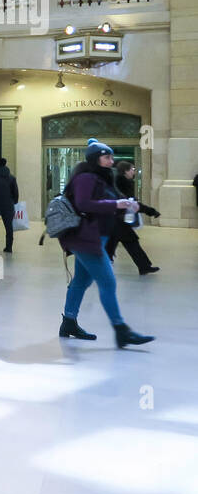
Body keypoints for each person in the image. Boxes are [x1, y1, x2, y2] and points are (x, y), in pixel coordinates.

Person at [57, 140, 154, 347]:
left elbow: (107, 204)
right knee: (108, 282)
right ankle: (121, 331)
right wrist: (116, 204)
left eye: (111, 157)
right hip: (84, 239)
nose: (111, 161)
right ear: (96, 159)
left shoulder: (102, 178)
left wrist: (128, 205)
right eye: (107, 157)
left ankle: (69, 323)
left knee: (81, 282)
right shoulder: (85, 177)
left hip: (94, 237)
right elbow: (83, 204)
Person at [106, 159, 160, 275]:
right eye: (133, 169)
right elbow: (129, 203)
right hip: (119, 219)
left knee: (114, 242)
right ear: (126, 171)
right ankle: (144, 266)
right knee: (131, 242)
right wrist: (150, 211)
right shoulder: (122, 183)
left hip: (117, 219)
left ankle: (144, 266)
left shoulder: (120, 182)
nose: (134, 172)